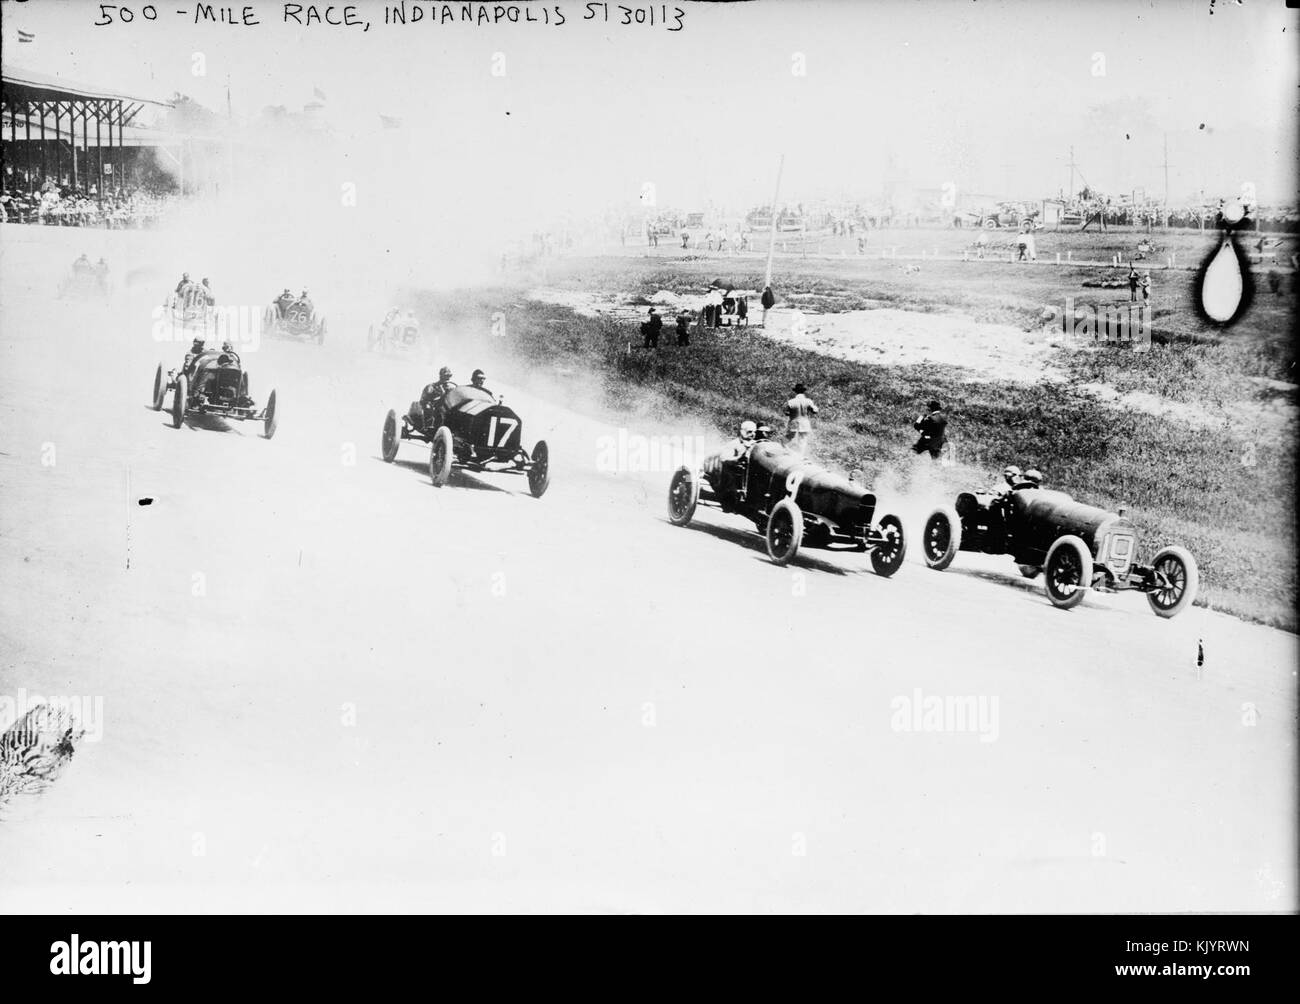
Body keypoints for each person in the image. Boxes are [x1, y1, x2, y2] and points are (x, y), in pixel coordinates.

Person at [785, 382, 819, 455]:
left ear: (795, 392)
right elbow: (815, 411)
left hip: (793, 422)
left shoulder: (790, 402)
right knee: (802, 441)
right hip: (804, 422)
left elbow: (786, 412)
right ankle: (800, 456)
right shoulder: (808, 401)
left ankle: (786, 451)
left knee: (788, 438)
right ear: (804, 391)